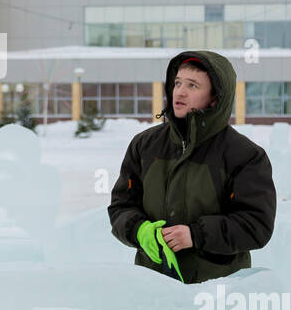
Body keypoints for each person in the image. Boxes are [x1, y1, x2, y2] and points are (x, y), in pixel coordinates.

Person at [108, 50, 276, 284]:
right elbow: (120, 206)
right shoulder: (144, 146)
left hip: (217, 291)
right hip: (152, 288)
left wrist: (196, 235)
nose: (180, 91)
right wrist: (138, 229)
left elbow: (256, 225)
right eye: (177, 83)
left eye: (193, 85)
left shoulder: (245, 155)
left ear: (215, 97)